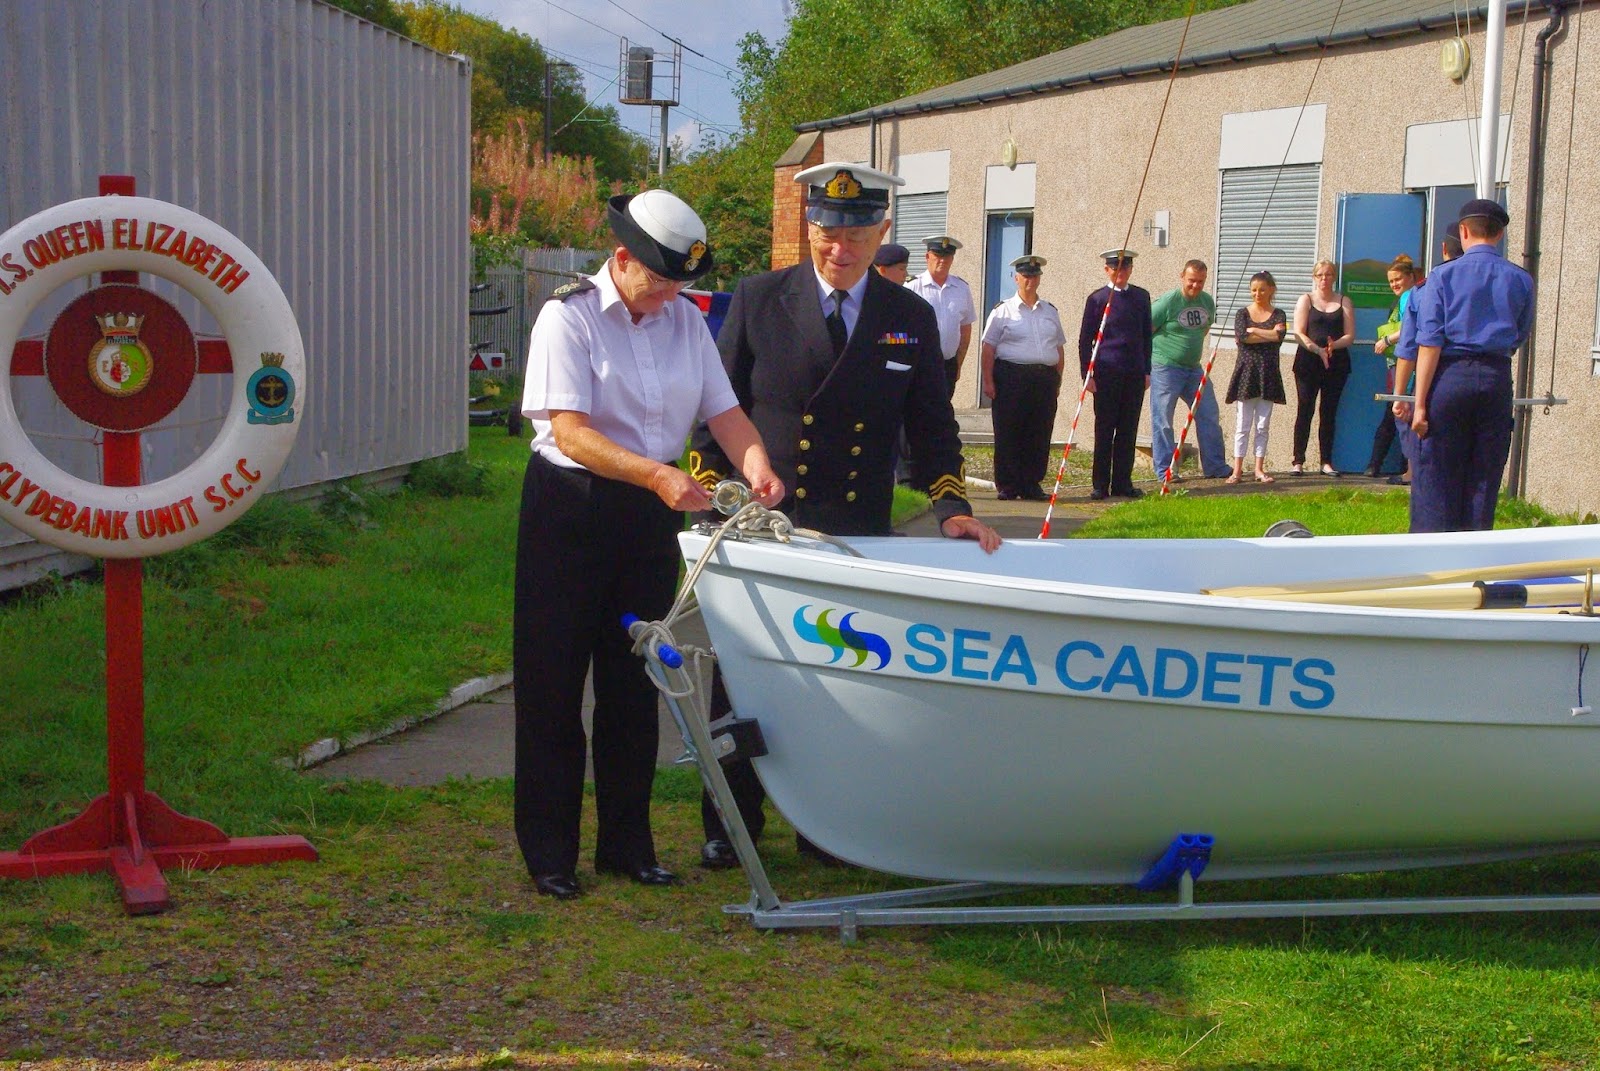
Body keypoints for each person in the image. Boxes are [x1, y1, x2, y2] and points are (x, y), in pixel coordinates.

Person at [688, 161, 1002, 869]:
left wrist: (950, 503)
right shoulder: (760, 298)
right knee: (740, 675)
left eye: (858, 230)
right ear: (809, 228)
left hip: (855, 527)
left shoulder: (909, 317)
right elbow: (717, 410)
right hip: (767, 526)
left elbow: (931, 428)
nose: (841, 245)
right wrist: (712, 497)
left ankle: (824, 824)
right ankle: (729, 817)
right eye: (828, 230)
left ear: (882, 231)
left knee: (837, 683)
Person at [513, 190, 785, 901]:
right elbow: (568, 430)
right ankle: (550, 853)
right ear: (622, 259)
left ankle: (627, 845)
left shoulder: (684, 325)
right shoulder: (566, 317)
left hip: (646, 515)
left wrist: (754, 461)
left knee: (638, 681)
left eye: (680, 283)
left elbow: (724, 412)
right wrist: (658, 474)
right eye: (659, 280)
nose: (669, 295)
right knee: (553, 680)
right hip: (571, 506)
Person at [1406, 199, 1533, 533]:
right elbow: (1519, 335)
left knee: (1436, 476)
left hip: (1450, 376)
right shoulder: (1520, 279)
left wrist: (1419, 405)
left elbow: (1430, 342)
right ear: (1500, 233)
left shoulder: (1443, 277)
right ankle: (1475, 563)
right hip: (1495, 378)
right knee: (1483, 479)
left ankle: (1432, 563)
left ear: (1463, 231)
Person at [979, 255, 1066, 501]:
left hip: (1044, 379)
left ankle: (1031, 483)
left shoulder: (1050, 311)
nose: (1030, 280)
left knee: (1039, 432)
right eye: (1026, 276)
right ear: (1016, 278)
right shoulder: (1002, 311)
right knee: (1009, 431)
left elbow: (1058, 348)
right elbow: (988, 348)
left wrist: (1057, 379)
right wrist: (988, 380)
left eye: (1034, 275)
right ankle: (1008, 484)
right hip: (1011, 376)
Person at [1077, 248, 1153, 500]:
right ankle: (1100, 484)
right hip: (1106, 374)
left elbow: (1145, 337)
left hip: (1133, 373)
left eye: (1125, 268)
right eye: (1116, 268)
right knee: (1104, 429)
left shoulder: (1141, 297)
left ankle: (1123, 482)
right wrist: (1087, 374)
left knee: (1128, 430)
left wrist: (1146, 370)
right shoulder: (1098, 299)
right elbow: (1085, 340)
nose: (1121, 273)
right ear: (1107, 270)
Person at [1388, 237, 1462, 487]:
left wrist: (1402, 396)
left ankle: (1419, 478)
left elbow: (1413, 346)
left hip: (1437, 378)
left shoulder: (1427, 289)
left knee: (1432, 459)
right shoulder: (1503, 280)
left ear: (1443, 249)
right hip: (1492, 377)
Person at [1147, 259, 1229, 482]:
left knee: (1209, 413)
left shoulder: (1207, 302)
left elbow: (1204, 329)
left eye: (1200, 282)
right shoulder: (1167, 302)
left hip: (1194, 370)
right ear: (1182, 276)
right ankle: (1165, 469)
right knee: (1163, 418)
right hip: (1165, 367)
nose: (1195, 286)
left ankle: (1215, 465)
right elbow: (1145, 331)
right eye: (1192, 281)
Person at [1289, 260, 1355, 476]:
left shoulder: (1344, 301)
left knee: (1328, 412)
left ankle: (1325, 461)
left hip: (1336, 363)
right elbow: (1298, 332)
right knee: (1305, 409)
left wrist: (1333, 346)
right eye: (1320, 275)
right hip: (1308, 363)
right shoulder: (1306, 300)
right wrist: (1316, 349)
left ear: (1334, 277)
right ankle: (1298, 461)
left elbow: (1350, 335)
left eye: (1328, 275)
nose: (1324, 279)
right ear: (1314, 277)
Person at [1225, 270, 1288, 484]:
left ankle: (1259, 469)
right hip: (1246, 374)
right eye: (1253, 290)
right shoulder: (1242, 313)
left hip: (1268, 374)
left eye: (1262, 289)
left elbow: (1279, 337)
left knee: (1263, 425)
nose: (1257, 294)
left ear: (1271, 290)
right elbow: (1243, 337)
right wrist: (1266, 333)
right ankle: (1238, 469)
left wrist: (1255, 330)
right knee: (1242, 424)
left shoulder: (1279, 313)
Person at [1365, 254, 1420, 482]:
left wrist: (1387, 340)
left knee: (1403, 414)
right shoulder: (1404, 298)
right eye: (1391, 281)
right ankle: (1405, 467)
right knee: (1398, 415)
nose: (1394, 284)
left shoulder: (1410, 296)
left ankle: (1410, 471)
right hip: (1397, 363)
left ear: (1410, 277)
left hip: (1405, 365)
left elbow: (1410, 327)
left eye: (1398, 279)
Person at [906, 235, 977, 398]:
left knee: (942, 416)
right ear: (927, 257)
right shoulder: (912, 286)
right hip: (919, 365)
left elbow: (965, 329)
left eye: (947, 256)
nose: (942, 261)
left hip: (948, 365)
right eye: (937, 255)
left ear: (952, 259)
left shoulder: (961, 288)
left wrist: (959, 363)